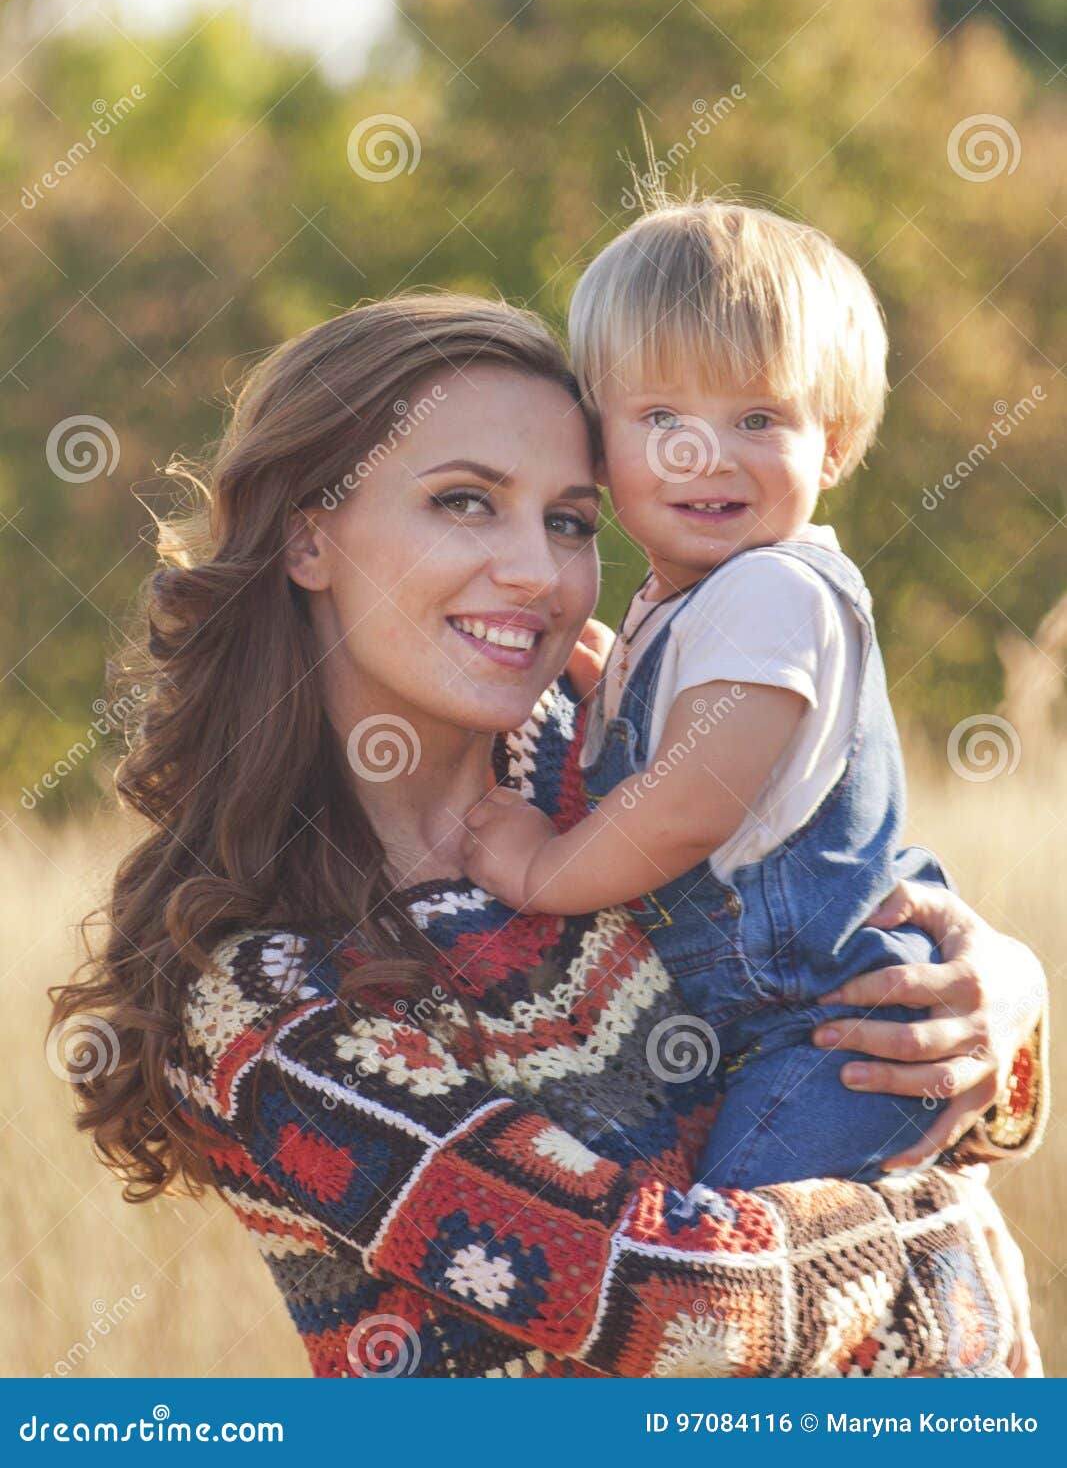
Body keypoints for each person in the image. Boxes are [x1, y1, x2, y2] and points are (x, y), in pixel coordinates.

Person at [50, 295, 1046, 1379]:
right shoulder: (271, 1000)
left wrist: (1001, 999)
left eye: (570, 520)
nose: (536, 571)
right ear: (309, 533)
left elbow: (852, 1003)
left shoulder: (614, 777)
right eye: (465, 502)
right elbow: (684, 1310)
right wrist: (942, 1227)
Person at [459, 198, 1002, 1190]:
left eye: (756, 417)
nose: (702, 454)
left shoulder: (770, 590)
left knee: (735, 1253)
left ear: (830, 443)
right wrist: (603, 684)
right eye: (661, 416)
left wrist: (540, 868)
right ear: (598, 441)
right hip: (780, 1031)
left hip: (833, 1036)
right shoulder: (690, 606)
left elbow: (684, 803)